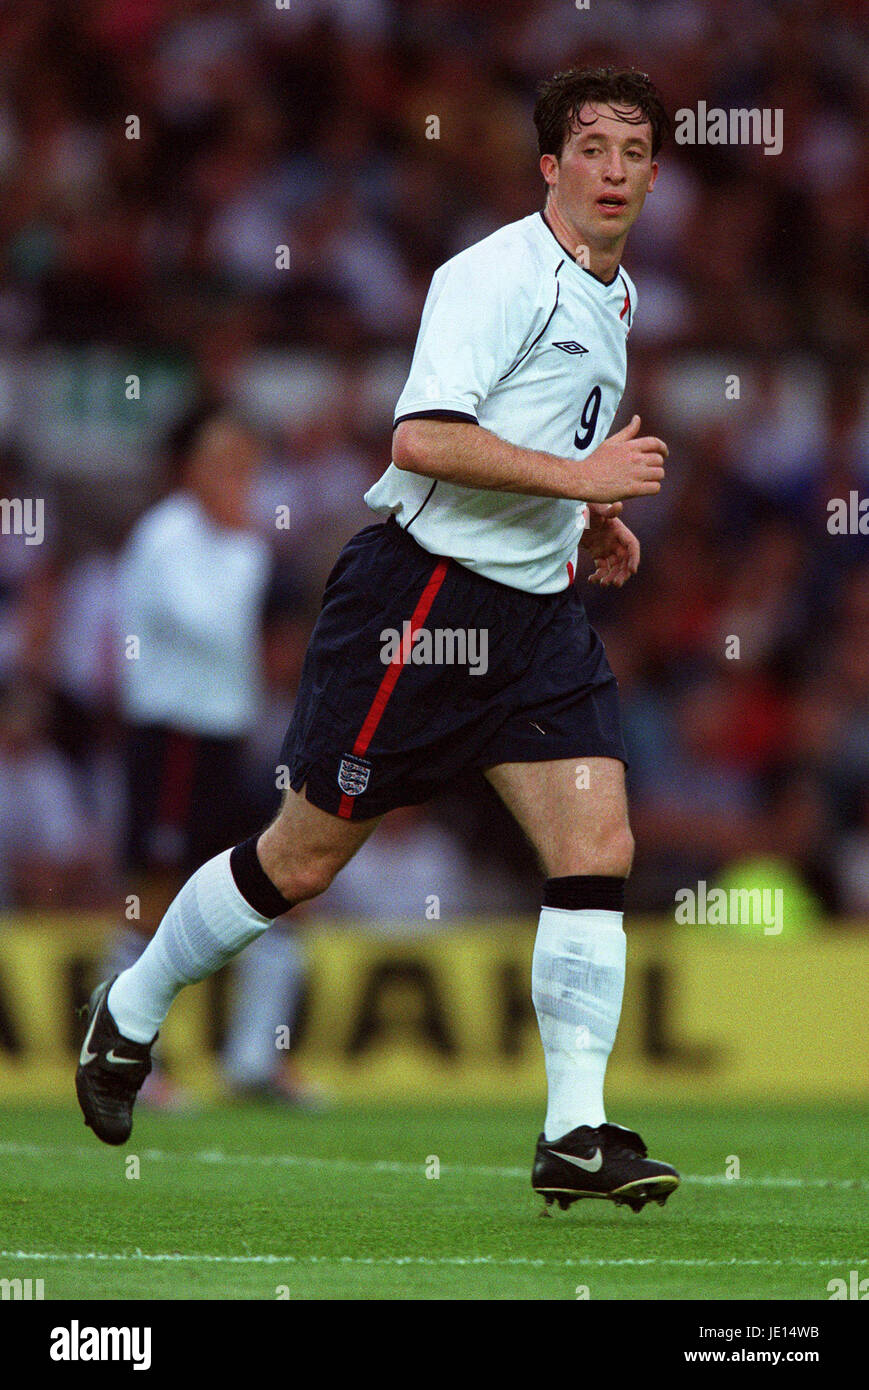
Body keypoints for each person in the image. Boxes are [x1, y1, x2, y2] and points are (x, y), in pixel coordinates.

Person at [77, 65, 678, 1214]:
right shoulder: (494, 276)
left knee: (595, 838)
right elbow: (419, 437)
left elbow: (531, 431)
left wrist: (585, 516)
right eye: (590, 148)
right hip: (422, 600)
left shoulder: (616, 295)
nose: (612, 170)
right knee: (299, 859)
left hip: (534, 618)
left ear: (652, 170)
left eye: (632, 151)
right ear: (549, 166)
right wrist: (582, 478)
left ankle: (572, 1131)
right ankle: (135, 1007)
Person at [103, 405, 315, 1109]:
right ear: (189, 467)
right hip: (172, 738)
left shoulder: (242, 544)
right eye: (222, 461)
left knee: (284, 884)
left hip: (227, 741)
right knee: (154, 895)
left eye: (244, 462)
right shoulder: (168, 536)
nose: (237, 475)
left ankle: (255, 1060)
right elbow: (215, 629)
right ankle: (127, 1057)